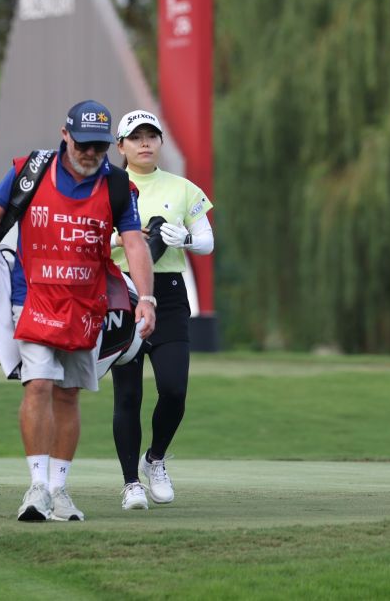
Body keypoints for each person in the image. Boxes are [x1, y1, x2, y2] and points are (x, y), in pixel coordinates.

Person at [0, 100, 156, 522]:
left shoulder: (118, 185)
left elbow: (136, 242)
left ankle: (59, 491)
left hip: (86, 305)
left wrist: (146, 297)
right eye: (84, 144)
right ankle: (36, 488)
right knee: (38, 385)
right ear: (65, 134)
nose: (91, 153)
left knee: (69, 395)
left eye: (100, 146)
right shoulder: (30, 170)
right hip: (31, 297)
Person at [109, 109, 214, 511]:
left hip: (168, 293)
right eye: (136, 138)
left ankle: (155, 459)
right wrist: (127, 240)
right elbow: (92, 241)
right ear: (121, 146)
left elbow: (206, 242)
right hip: (120, 292)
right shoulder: (107, 186)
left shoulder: (182, 187)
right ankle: (130, 482)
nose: (145, 143)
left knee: (174, 388)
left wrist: (184, 237)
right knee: (128, 393)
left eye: (151, 136)